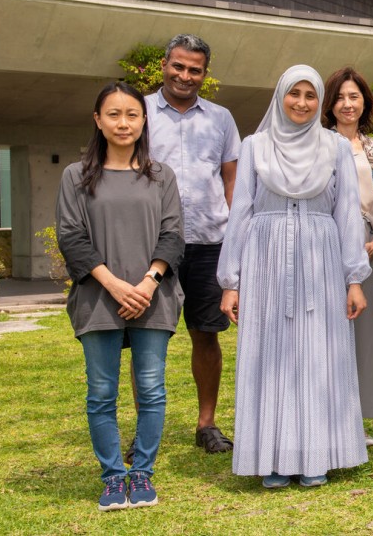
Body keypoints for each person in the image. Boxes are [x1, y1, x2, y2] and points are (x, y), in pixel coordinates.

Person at [217, 65, 370, 488]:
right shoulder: (255, 146)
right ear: (280, 96)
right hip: (265, 258)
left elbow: (347, 214)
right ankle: (274, 457)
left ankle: (318, 453)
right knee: (271, 356)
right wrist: (231, 281)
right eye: (294, 93)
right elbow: (241, 211)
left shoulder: (335, 146)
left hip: (320, 256)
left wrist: (353, 277)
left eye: (310, 95)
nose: (302, 102)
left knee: (318, 353)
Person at [57, 82, 184, 511]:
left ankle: (142, 472)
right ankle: (113, 476)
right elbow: (71, 237)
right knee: (101, 392)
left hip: (154, 296)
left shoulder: (161, 175)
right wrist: (113, 284)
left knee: (151, 389)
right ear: (98, 120)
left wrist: (148, 283)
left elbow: (173, 235)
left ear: (143, 120)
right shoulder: (75, 176)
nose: (123, 122)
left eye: (132, 113)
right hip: (97, 298)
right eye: (113, 114)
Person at [146, 34, 240, 454]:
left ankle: (207, 424)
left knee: (206, 334)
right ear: (164, 64)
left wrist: (238, 237)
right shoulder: (141, 112)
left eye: (195, 69)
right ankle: (147, 430)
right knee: (148, 338)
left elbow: (232, 180)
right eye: (178, 66)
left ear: (205, 73)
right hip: (151, 246)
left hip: (209, 243)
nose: (185, 76)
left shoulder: (221, 119)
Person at [324, 67, 373, 446]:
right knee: (328, 335)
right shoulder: (317, 143)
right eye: (340, 97)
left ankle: (354, 421)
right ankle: (328, 415)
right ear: (329, 104)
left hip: (366, 253)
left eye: (354, 97)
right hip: (325, 252)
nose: (347, 104)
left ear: (364, 101)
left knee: (363, 337)